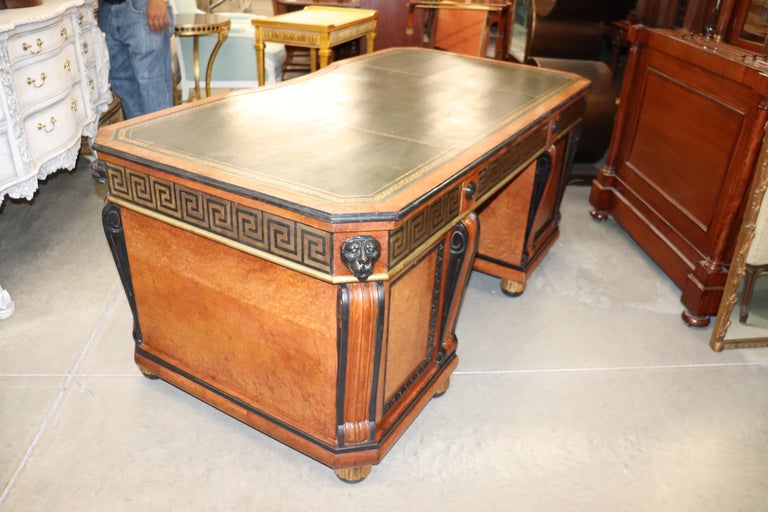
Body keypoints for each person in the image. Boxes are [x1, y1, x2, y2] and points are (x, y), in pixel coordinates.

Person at [92, 0, 175, 182]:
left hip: (142, 6)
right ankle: (147, 171)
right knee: (125, 90)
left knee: (154, 96)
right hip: (106, 10)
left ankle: (166, 177)